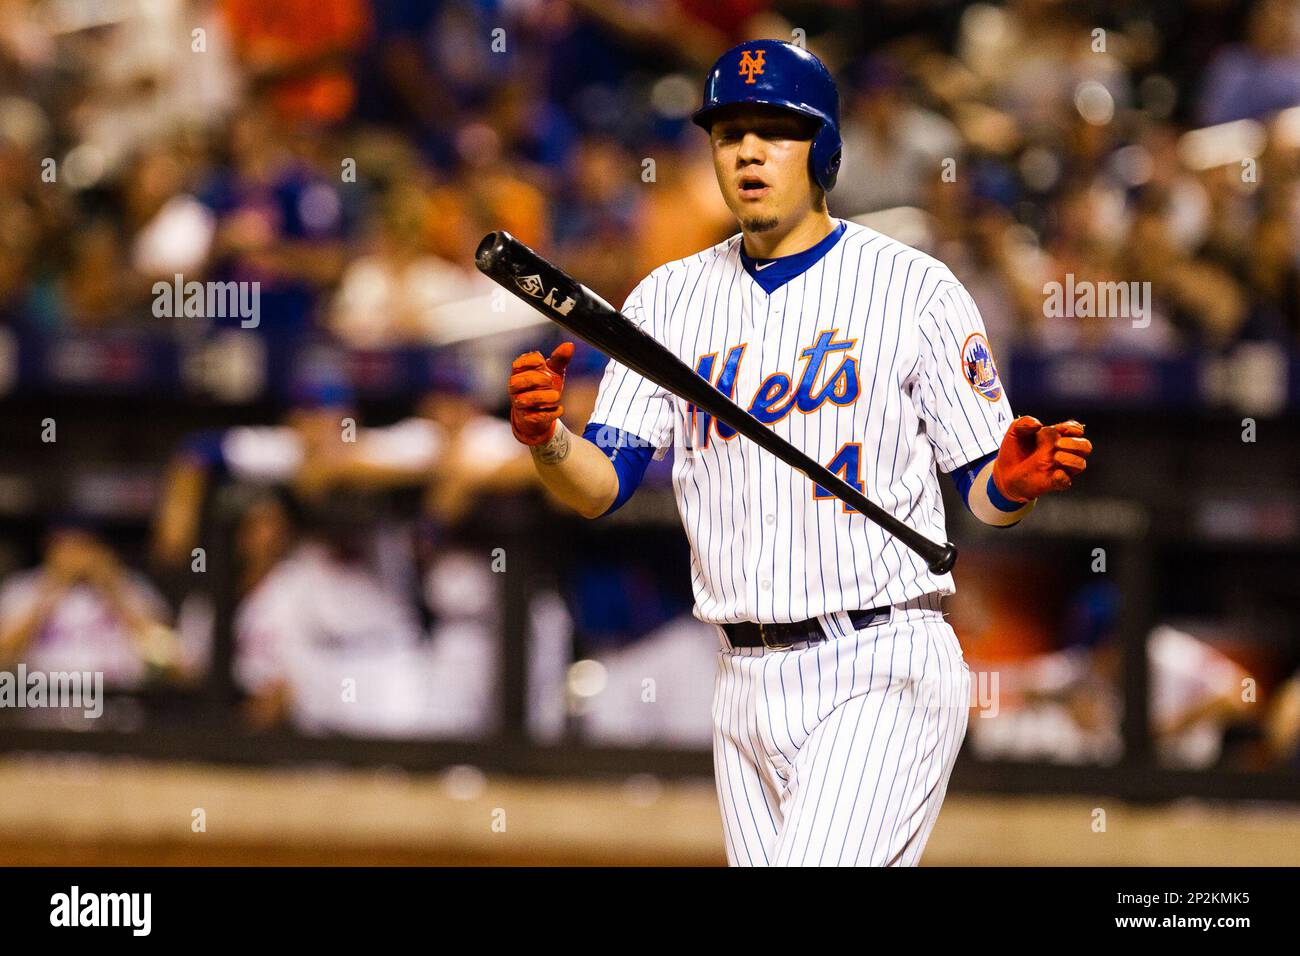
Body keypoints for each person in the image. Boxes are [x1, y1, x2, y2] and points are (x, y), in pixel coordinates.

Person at [505, 40, 1094, 866]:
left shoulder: (911, 288)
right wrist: (547, 441)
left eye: (775, 130)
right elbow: (602, 484)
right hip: (741, 681)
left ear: (822, 149)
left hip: (880, 662)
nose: (747, 150)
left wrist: (1012, 479)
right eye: (728, 132)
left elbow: (983, 492)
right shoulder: (669, 298)